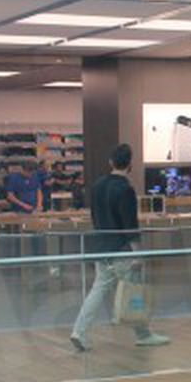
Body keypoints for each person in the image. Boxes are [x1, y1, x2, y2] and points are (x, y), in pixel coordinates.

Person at [69, 144, 169, 351]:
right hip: (122, 250)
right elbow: (130, 225)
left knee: (97, 290)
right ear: (130, 164)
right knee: (134, 291)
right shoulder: (126, 189)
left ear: (110, 162)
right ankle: (143, 334)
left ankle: (79, 331)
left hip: (102, 247)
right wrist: (137, 254)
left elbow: (95, 217)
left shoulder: (97, 186)